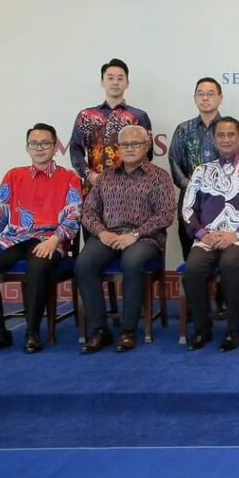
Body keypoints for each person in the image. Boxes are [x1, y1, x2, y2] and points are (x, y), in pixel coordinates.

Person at [0, 123, 82, 355]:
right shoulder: (14, 175)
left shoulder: (69, 178)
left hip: (48, 239)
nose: (39, 148)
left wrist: (56, 240)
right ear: (27, 148)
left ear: (55, 148)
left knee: (39, 265)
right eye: (34, 144)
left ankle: (32, 332)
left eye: (45, 143)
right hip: (14, 238)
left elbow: (74, 215)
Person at [77, 126, 177, 353]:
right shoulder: (106, 177)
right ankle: (99, 330)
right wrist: (103, 233)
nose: (130, 149)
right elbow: (88, 212)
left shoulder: (159, 177)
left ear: (147, 146)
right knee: (84, 264)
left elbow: (165, 214)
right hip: (109, 235)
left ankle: (128, 331)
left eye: (136, 144)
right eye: (125, 145)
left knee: (131, 262)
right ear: (118, 148)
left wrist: (135, 235)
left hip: (144, 238)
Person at [181, 117, 239, 352]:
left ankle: (234, 330)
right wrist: (203, 234)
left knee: (231, 263)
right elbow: (187, 208)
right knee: (192, 269)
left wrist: (238, 234)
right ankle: (203, 328)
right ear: (214, 138)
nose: (226, 139)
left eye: (231, 134)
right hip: (207, 239)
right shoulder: (203, 170)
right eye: (221, 135)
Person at [169, 77, 239, 317]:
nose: (205, 97)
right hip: (191, 202)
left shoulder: (229, 128)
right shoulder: (183, 129)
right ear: (195, 98)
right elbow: (174, 163)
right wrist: (193, 190)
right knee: (192, 249)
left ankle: (223, 300)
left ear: (220, 98)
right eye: (200, 93)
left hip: (225, 202)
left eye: (210, 93)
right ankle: (195, 302)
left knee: (225, 248)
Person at [70, 58, 152, 198]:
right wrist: (89, 175)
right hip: (95, 186)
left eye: (120, 78)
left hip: (130, 189)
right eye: (110, 78)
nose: (115, 82)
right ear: (102, 82)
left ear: (127, 83)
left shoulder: (138, 116)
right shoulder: (87, 115)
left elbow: (147, 153)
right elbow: (75, 149)